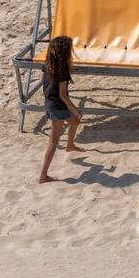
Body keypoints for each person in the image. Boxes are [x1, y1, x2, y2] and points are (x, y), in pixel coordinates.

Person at [39, 35, 84, 183]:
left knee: (75, 122)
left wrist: (67, 80)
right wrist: (75, 108)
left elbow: (51, 80)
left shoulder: (48, 63)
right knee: (53, 141)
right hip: (57, 106)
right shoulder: (62, 70)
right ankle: (43, 175)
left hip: (49, 102)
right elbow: (63, 95)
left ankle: (70, 145)